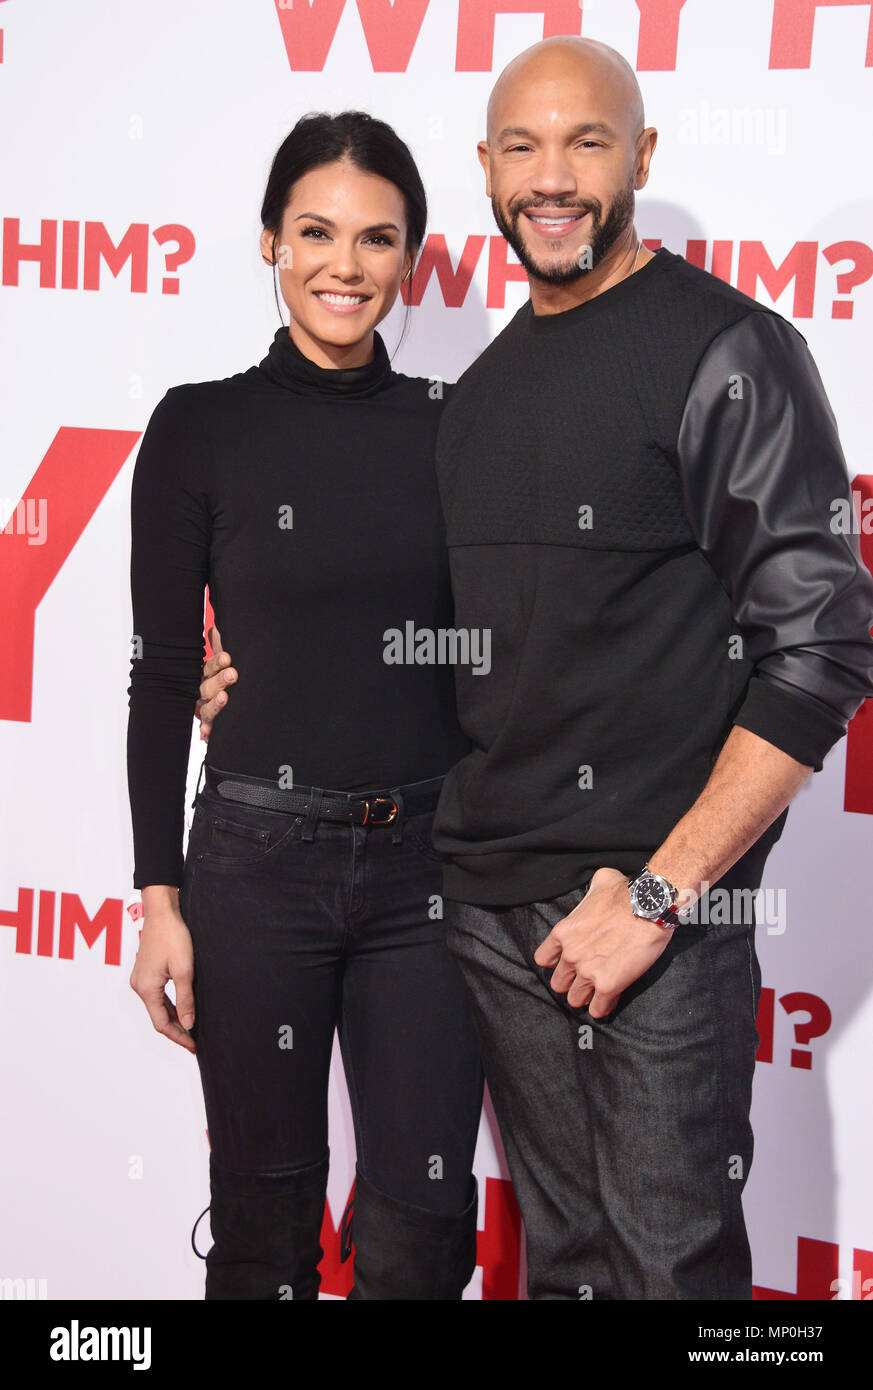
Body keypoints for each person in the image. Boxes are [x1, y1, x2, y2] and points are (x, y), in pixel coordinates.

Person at [202, 39, 873, 1300]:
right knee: (565, 1270)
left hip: (652, 922)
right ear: (487, 170)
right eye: (522, 147)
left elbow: (823, 645)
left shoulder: (730, 351)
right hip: (492, 921)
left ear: (643, 157)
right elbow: (447, 634)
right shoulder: (487, 389)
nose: (552, 178)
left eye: (586, 143)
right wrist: (243, 670)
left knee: (672, 1276)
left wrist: (662, 899)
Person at [127, 111, 484, 1302]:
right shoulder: (199, 424)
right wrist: (157, 898)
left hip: (430, 873)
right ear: (270, 239)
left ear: (412, 258)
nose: (346, 264)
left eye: (378, 239)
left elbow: (507, 644)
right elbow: (164, 671)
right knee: (265, 1234)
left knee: (420, 1236)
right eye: (317, 231)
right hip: (253, 869)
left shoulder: (457, 426)